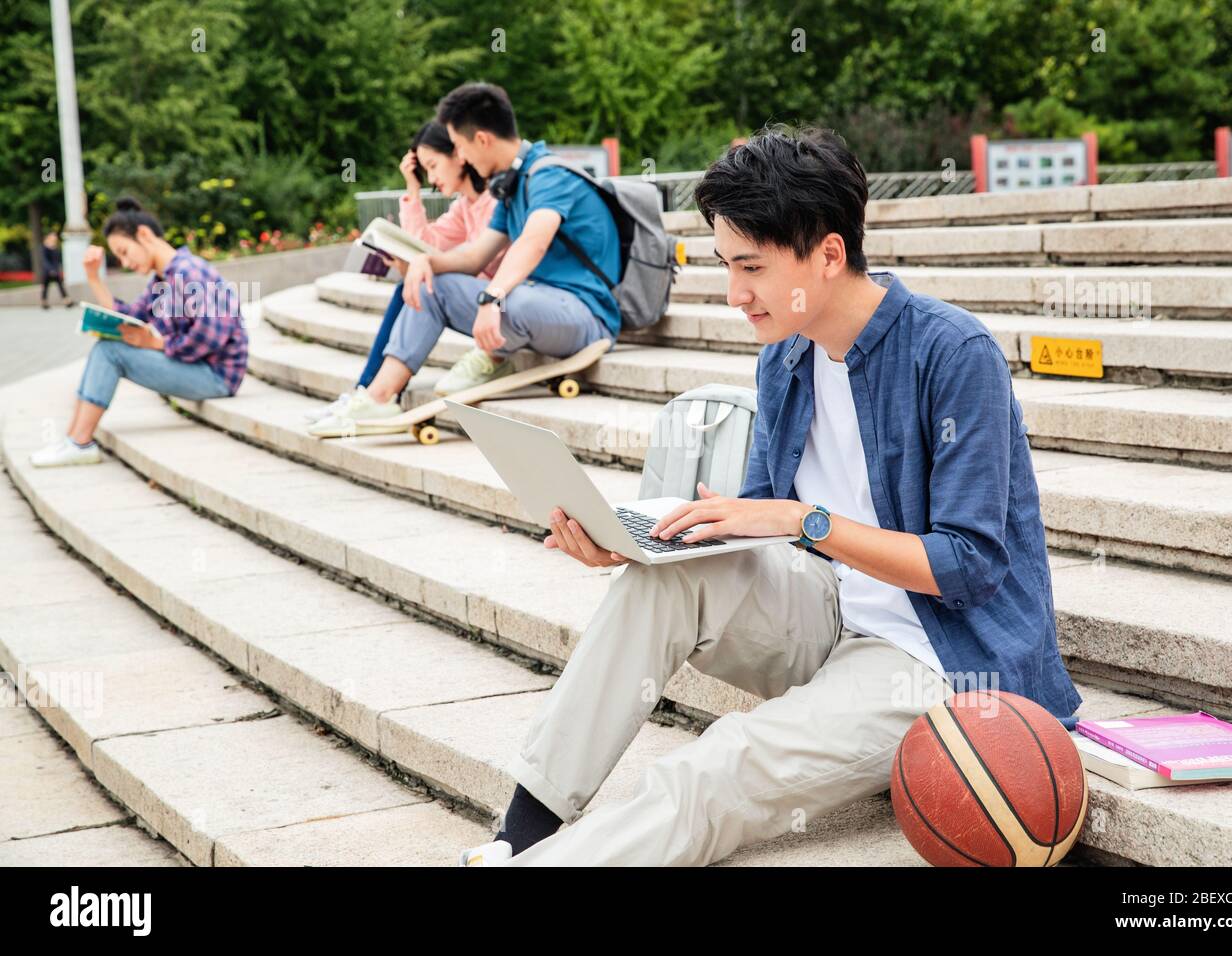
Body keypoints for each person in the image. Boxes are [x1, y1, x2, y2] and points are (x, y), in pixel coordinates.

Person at [458, 125, 1083, 867]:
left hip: (938, 658)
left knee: (722, 766)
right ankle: (518, 835)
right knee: (662, 582)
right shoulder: (786, 359)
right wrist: (636, 544)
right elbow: (757, 528)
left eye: (751, 267)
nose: (734, 294)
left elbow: (971, 563)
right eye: (726, 266)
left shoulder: (952, 353)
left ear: (827, 253)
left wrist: (804, 520)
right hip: (829, 614)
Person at [321, 82, 618, 428]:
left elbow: (533, 242)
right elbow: (475, 256)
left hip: (585, 315)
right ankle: (379, 396)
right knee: (434, 283)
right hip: (537, 307)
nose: (461, 158)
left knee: (514, 298)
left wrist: (492, 297)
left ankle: (490, 357)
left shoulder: (549, 175)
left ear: (482, 139)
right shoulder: (513, 185)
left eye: (460, 147)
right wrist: (426, 261)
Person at [305, 120, 506, 424]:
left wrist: (424, 265)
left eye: (434, 166)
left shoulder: (496, 201)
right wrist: (412, 189)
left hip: (501, 308)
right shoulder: (466, 207)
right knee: (412, 284)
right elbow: (423, 244)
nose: (432, 178)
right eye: (426, 171)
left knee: (421, 285)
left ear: (459, 155)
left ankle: (374, 392)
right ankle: (371, 391)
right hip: (480, 305)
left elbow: (476, 263)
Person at [29, 197, 248, 468]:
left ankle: (80, 442)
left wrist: (155, 344)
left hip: (216, 377)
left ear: (143, 235)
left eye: (124, 251)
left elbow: (211, 334)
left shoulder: (188, 271)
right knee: (106, 346)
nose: (125, 262)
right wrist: (94, 278)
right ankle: (72, 439)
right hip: (196, 369)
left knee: (111, 352)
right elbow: (131, 317)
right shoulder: (163, 279)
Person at [39, 231, 73, 309]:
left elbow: (57, 261)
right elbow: (45, 260)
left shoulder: (55, 247)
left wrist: (57, 269)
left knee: (61, 286)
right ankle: (44, 302)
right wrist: (50, 270)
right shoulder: (44, 248)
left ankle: (67, 301)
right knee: (45, 287)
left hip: (55, 270)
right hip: (47, 271)